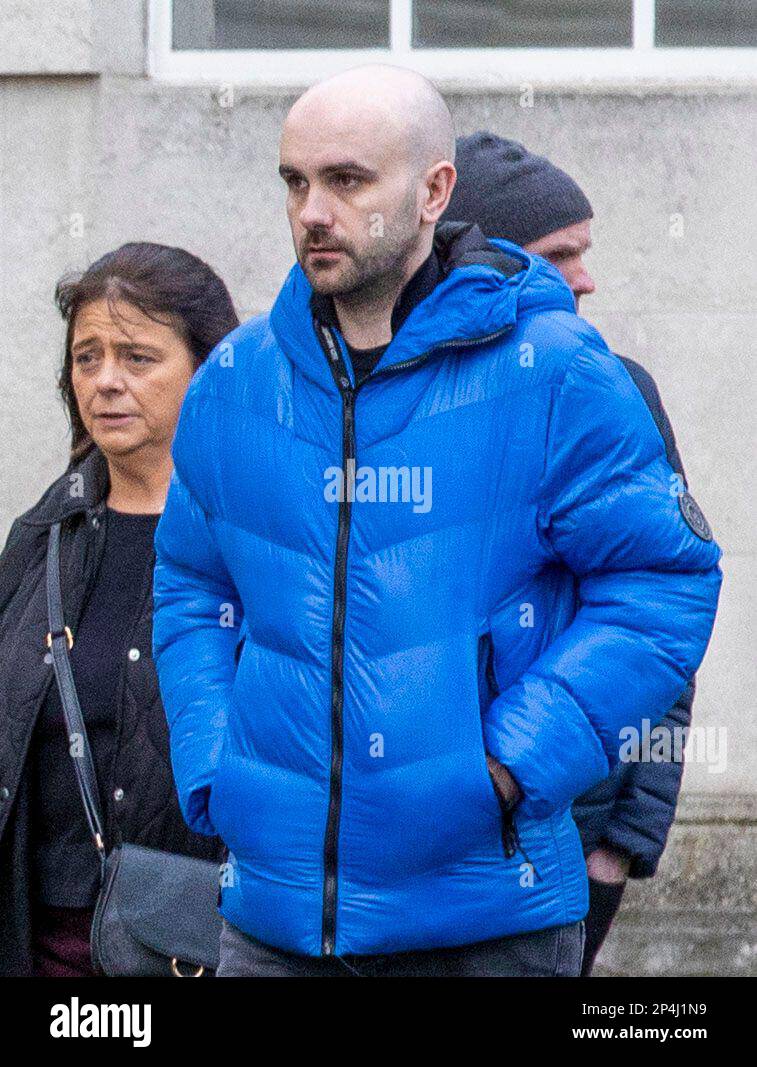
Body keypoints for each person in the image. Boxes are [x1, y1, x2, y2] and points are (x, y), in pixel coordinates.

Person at [152, 65, 722, 978]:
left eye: (345, 180)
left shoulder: (554, 371)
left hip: (482, 927)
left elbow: (664, 582)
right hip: (270, 923)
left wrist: (505, 769)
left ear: (433, 191)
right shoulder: (236, 379)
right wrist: (219, 766)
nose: (312, 211)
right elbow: (192, 584)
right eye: (294, 182)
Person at [442, 132, 695, 974]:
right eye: (561, 255)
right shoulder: (384, 400)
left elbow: (663, 624)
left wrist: (621, 841)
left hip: (568, 843)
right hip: (410, 846)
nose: (585, 279)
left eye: (584, 254)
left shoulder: (614, 393)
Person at [0, 242, 238, 976]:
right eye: (87, 357)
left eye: (137, 357)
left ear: (205, 369)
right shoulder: (44, 533)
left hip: (194, 942)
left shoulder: (253, 538)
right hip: (40, 938)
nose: (105, 382)